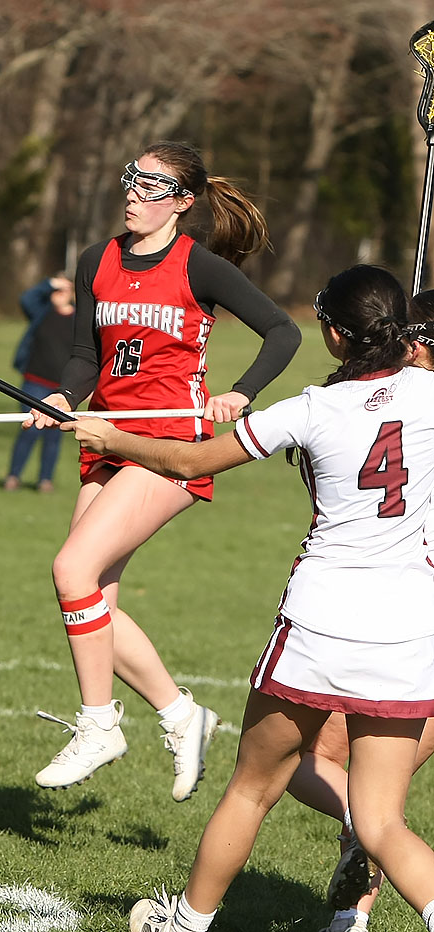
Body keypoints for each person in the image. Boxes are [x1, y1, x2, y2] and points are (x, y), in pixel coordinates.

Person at [62, 264, 434, 932]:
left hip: (319, 623)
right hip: (408, 630)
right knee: (379, 822)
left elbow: (189, 463)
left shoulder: (313, 408)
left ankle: (187, 921)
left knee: (253, 785)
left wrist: (110, 436)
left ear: (335, 334)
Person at [26, 141, 301, 800]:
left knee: (72, 571)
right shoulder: (97, 259)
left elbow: (283, 331)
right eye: (131, 179)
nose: (134, 194)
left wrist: (241, 392)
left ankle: (99, 723)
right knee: (91, 598)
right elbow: (85, 355)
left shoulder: (198, 266)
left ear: (182, 202)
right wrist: (65, 395)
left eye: (153, 186)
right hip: (106, 437)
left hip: (171, 443)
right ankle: (182, 714)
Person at [278, 285, 434, 932]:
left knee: (352, 794)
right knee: (359, 792)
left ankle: (353, 913)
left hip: (411, 630)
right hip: (400, 621)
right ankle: (350, 918)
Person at [4, 274, 77, 492]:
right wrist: (50, 284)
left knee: (53, 435)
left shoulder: (79, 320)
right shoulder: (42, 312)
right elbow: (27, 299)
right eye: (56, 291)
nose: (59, 295)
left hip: (61, 389)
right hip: (34, 383)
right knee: (30, 429)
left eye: (64, 291)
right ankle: (13, 476)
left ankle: (45, 480)